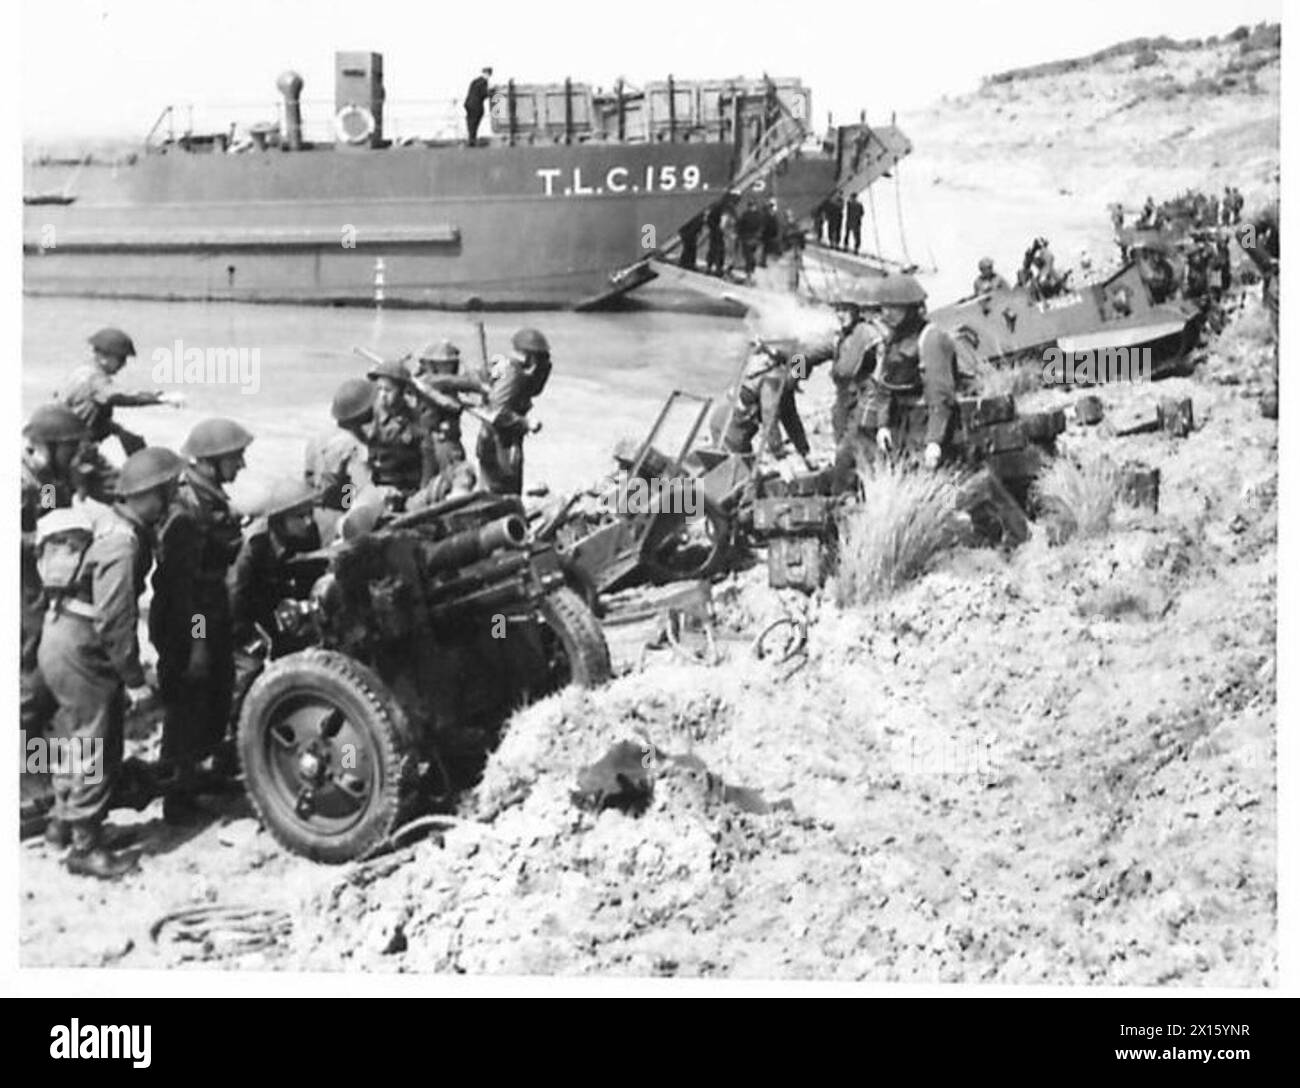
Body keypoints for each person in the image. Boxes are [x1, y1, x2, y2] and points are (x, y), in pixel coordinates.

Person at [37, 446, 183, 876]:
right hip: (81, 647)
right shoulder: (123, 542)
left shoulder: (112, 524)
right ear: (150, 495)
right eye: (167, 492)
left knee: (74, 736)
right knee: (96, 742)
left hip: (61, 635)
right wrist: (134, 678)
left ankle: (60, 825)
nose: (170, 501)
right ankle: (85, 845)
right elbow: (116, 619)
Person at [152, 418, 252, 822]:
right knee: (188, 704)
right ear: (210, 462)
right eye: (235, 457)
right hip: (190, 618)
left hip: (209, 611)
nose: (242, 465)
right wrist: (197, 643)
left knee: (216, 694)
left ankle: (199, 775)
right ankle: (176, 794)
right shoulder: (186, 512)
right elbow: (184, 591)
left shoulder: (208, 497)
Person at [20, 406, 115, 811]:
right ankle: (25, 776)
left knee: (47, 682)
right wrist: (45, 536)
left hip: (41, 589)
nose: (77, 453)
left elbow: (56, 510)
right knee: (28, 686)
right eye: (71, 447)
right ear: (49, 447)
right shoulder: (21, 481)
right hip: (22, 592)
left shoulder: (50, 479)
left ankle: (43, 766)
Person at [831, 273, 959, 494]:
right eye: (837, 309)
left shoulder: (868, 333)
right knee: (849, 462)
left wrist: (934, 440)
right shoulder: (846, 337)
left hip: (897, 416)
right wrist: (796, 370)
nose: (886, 313)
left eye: (845, 309)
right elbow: (807, 356)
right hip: (873, 413)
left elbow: (939, 393)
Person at [228, 478, 326, 712]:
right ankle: (234, 726)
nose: (309, 521)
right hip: (245, 616)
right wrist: (249, 638)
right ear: (280, 521)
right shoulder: (254, 546)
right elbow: (234, 596)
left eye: (310, 513)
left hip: (282, 610)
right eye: (300, 517)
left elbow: (312, 576)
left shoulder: (309, 536)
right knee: (249, 671)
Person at [58, 327, 182, 458]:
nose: (123, 364)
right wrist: (161, 398)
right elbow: (119, 396)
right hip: (71, 449)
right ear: (104, 357)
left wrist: (119, 431)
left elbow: (88, 413)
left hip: (65, 443)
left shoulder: (82, 372)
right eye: (121, 359)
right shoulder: (94, 379)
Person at [711, 339, 820, 465]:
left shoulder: (783, 386)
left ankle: (690, 484)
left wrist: (805, 452)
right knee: (734, 473)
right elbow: (769, 417)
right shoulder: (773, 381)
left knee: (737, 470)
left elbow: (791, 419)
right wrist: (780, 456)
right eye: (798, 379)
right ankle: (689, 485)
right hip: (728, 426)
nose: (796, 383)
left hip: (736, 427)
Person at [477, 327, 551, 495]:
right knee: (504, 493)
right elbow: (497, 412)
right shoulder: (514, 373)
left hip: (491, 437)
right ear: (531, 358)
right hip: (501, 442)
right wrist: (525, 423)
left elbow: (480, 375)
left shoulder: (502, 363)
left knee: (493, 489)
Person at [365, 358, 430, 495]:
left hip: (405, 487)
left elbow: (427, 458)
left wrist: (423, 490)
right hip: (373, 485)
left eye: (388, 390)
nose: (382, 395)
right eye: (379, 389)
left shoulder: (414, 420)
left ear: (402, 392)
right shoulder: (370, 416)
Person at [313, 378, 376, 511]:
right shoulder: (354, 446)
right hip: (340, 507)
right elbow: (358, 486)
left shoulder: (321, 437)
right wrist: (348, 506)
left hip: (319, 504)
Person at [464, 67, 493, 147]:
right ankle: (472, 140)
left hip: (468, 103)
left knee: (470, 122)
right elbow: (483, 94)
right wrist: (492, 92)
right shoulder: (484, 82)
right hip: (476, 105)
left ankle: (471, 139)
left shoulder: (474, 81)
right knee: (475, 123)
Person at [705, 203, 726, 277]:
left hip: (715, 233)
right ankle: (718, 269)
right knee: (718, 251)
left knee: (713, 250)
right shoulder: (720, 212)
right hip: (717, 234)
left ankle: (710, 267)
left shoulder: (714, 212)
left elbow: (708, 221)